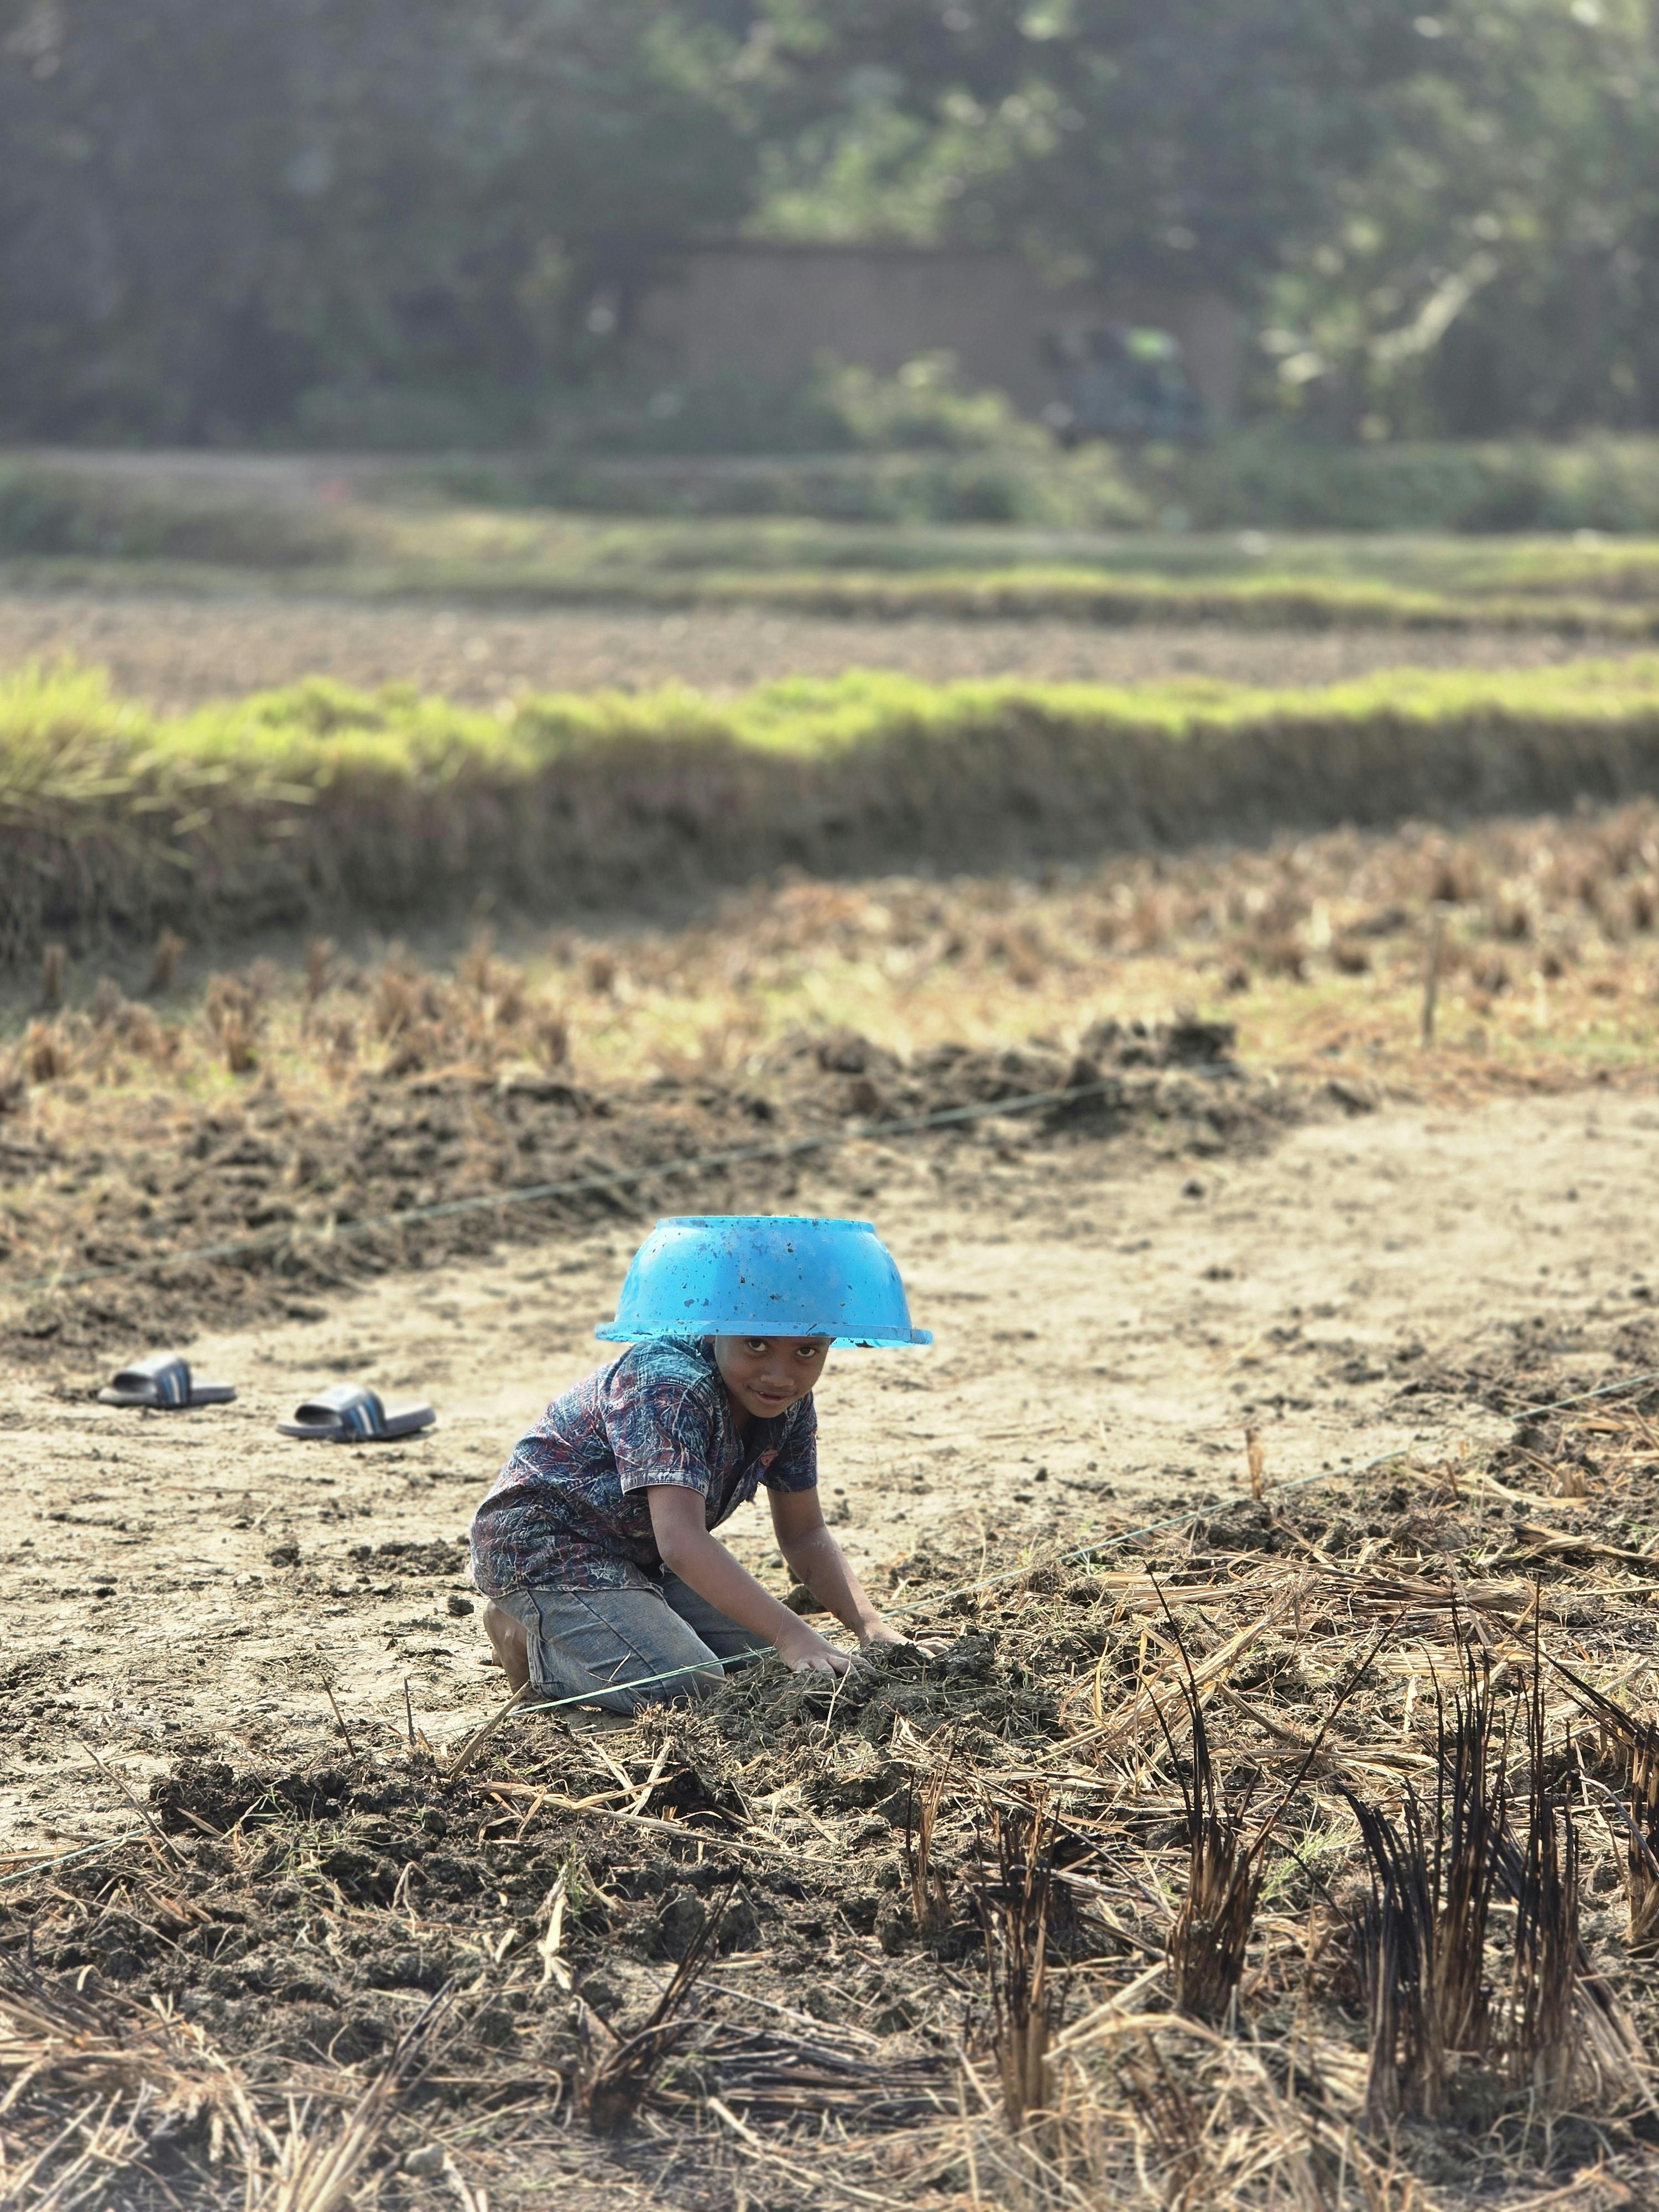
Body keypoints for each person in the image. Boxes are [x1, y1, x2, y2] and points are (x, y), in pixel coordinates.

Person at [469, 1214, 941, 1712]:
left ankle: (620, 1617)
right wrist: (793, 1634)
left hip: (638, 1554)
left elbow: (804, 1534)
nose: (780, 1375)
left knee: (765, 1668)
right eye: (756, 1344)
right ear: (716, 1327)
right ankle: (528, 1640)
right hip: (547, 1551)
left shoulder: (789, 1405)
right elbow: (683, 1541)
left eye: (807, 1350)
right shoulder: (670, 1386)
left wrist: (871, 1627)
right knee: (691, 1689)